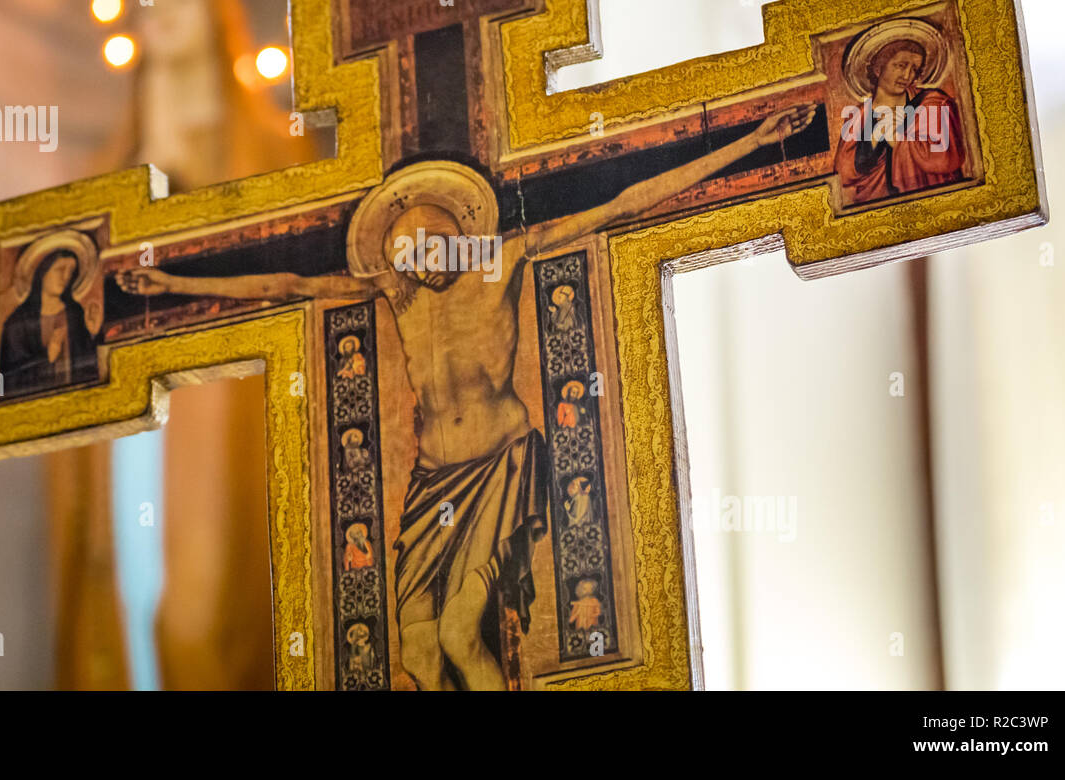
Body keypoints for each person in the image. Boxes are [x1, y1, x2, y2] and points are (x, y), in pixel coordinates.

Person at [117, 103, 813, 690]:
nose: (417, 263)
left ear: (456, 234)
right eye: (404, 254)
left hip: (500, 465)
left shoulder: (500, 260)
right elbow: (289, 287)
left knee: (458, 632)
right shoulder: (397, 295)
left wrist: (752, 141)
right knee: (417, 649)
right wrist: (176, 284)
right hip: (431, 483)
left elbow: (620, 203)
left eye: (427, 247)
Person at [836, 30, 965, 204]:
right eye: (901, 66)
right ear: (878, 68)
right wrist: (874, 138)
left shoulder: (932, 103)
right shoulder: (858, 117)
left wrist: (899, 140)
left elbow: (947, 159)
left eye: (914, 69)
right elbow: (844, 173)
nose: (907, 76)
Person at [0, 248, 98, 398]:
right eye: (60, 269)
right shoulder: (19, 321)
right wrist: (46, 356)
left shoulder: (74, 312)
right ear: (43, 272)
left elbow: (88, 363)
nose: (66, 277)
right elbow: (8, 374)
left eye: (71, 271)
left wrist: (93, 333)